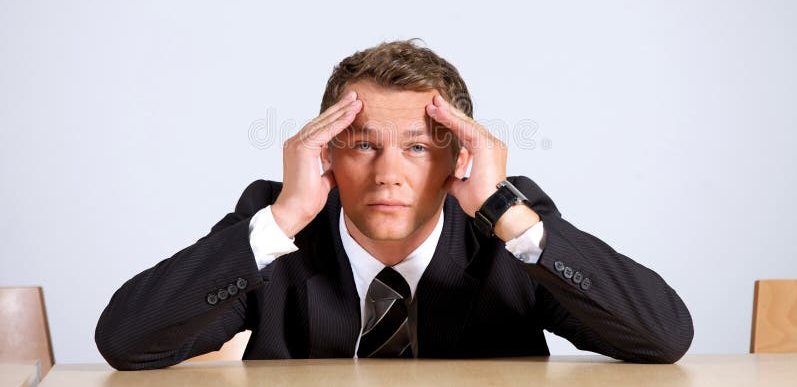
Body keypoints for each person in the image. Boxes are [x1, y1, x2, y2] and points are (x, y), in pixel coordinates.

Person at [95, 40, 693, 369]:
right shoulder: (277, 227)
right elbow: (125, 341)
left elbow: (663, 338)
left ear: (458, 157)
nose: (388, 175)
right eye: (362, 146)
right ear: (325, 155)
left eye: (417, 147)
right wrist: (281, 220)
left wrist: (508, 216)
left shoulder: (510, 227)